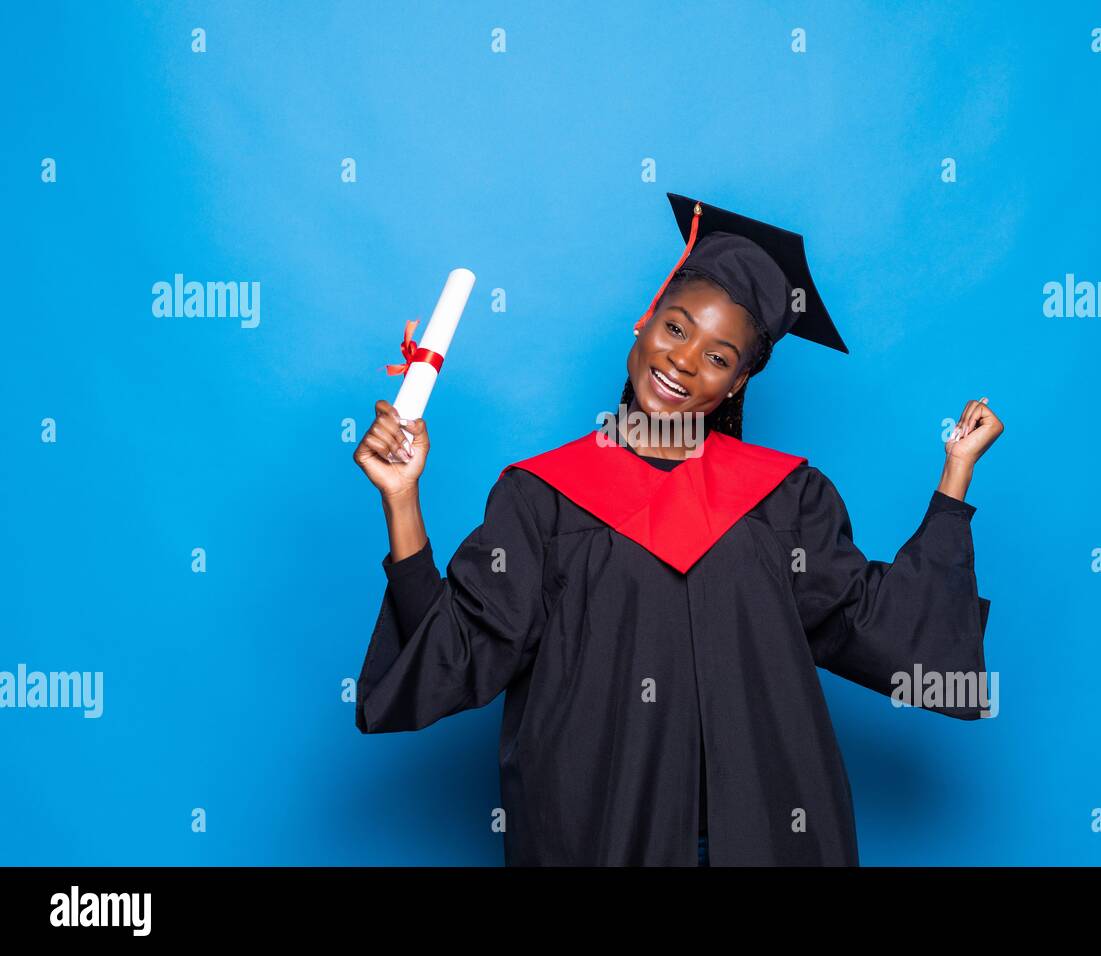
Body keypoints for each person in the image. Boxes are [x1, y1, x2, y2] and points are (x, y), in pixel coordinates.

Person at [353, 192, 1004, 866]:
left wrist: (954, 476)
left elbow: (885, 629)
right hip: (597, 828)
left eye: (720, 358)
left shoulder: (786, 498)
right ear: (645, 322)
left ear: (736, 386)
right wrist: (403, 501)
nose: (685, 362)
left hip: (768, 826)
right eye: (676, 328)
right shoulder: (542, 496)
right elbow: (457, 654)